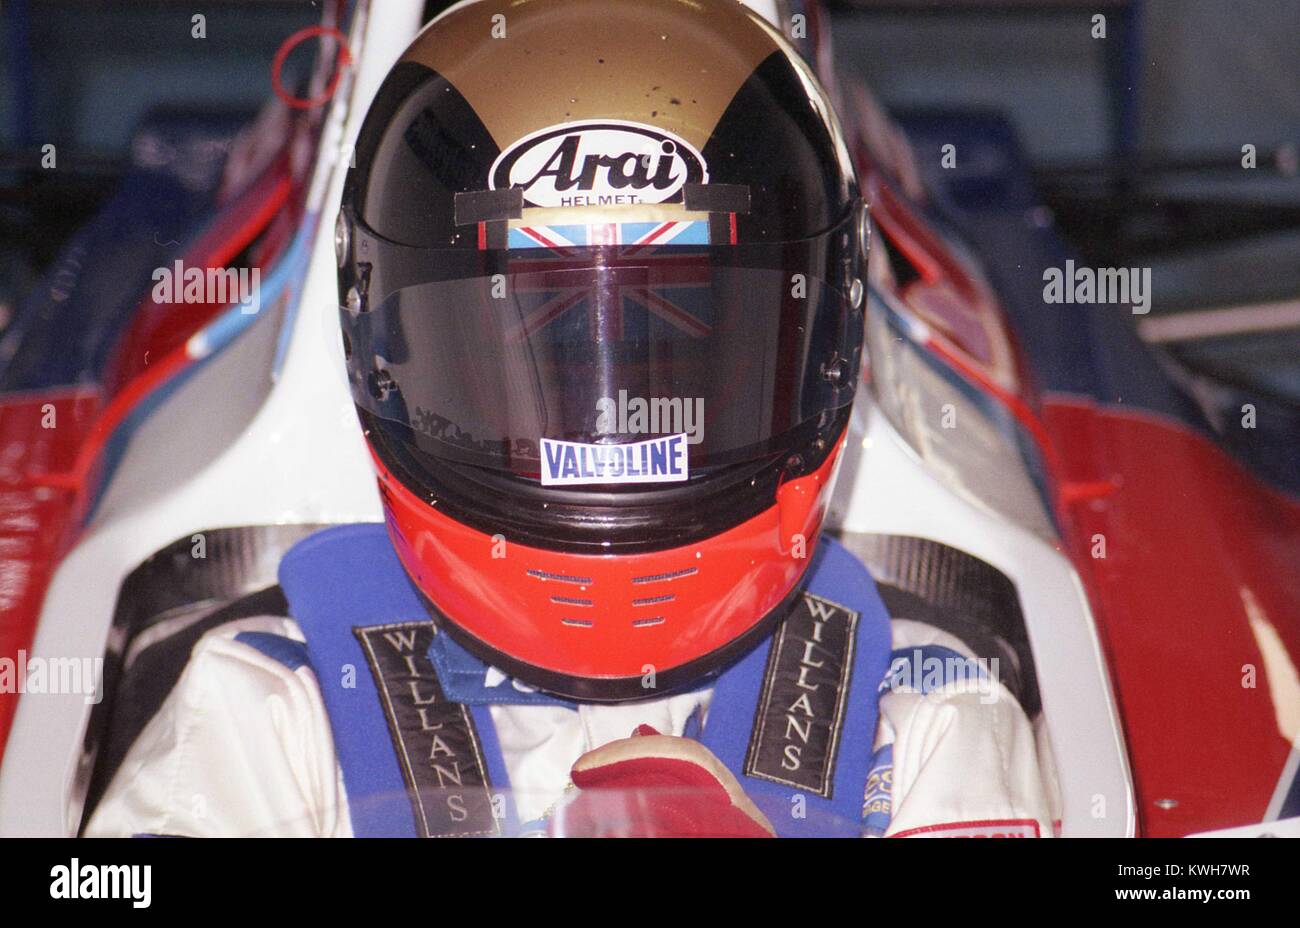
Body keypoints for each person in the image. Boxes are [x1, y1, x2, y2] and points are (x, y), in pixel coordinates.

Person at [87, 0, 1055, 838]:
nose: (609, 429)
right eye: (528, 351)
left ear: (824, 347)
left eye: (674, 349)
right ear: (381, 347)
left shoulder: (920, 706)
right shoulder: (270, 700)